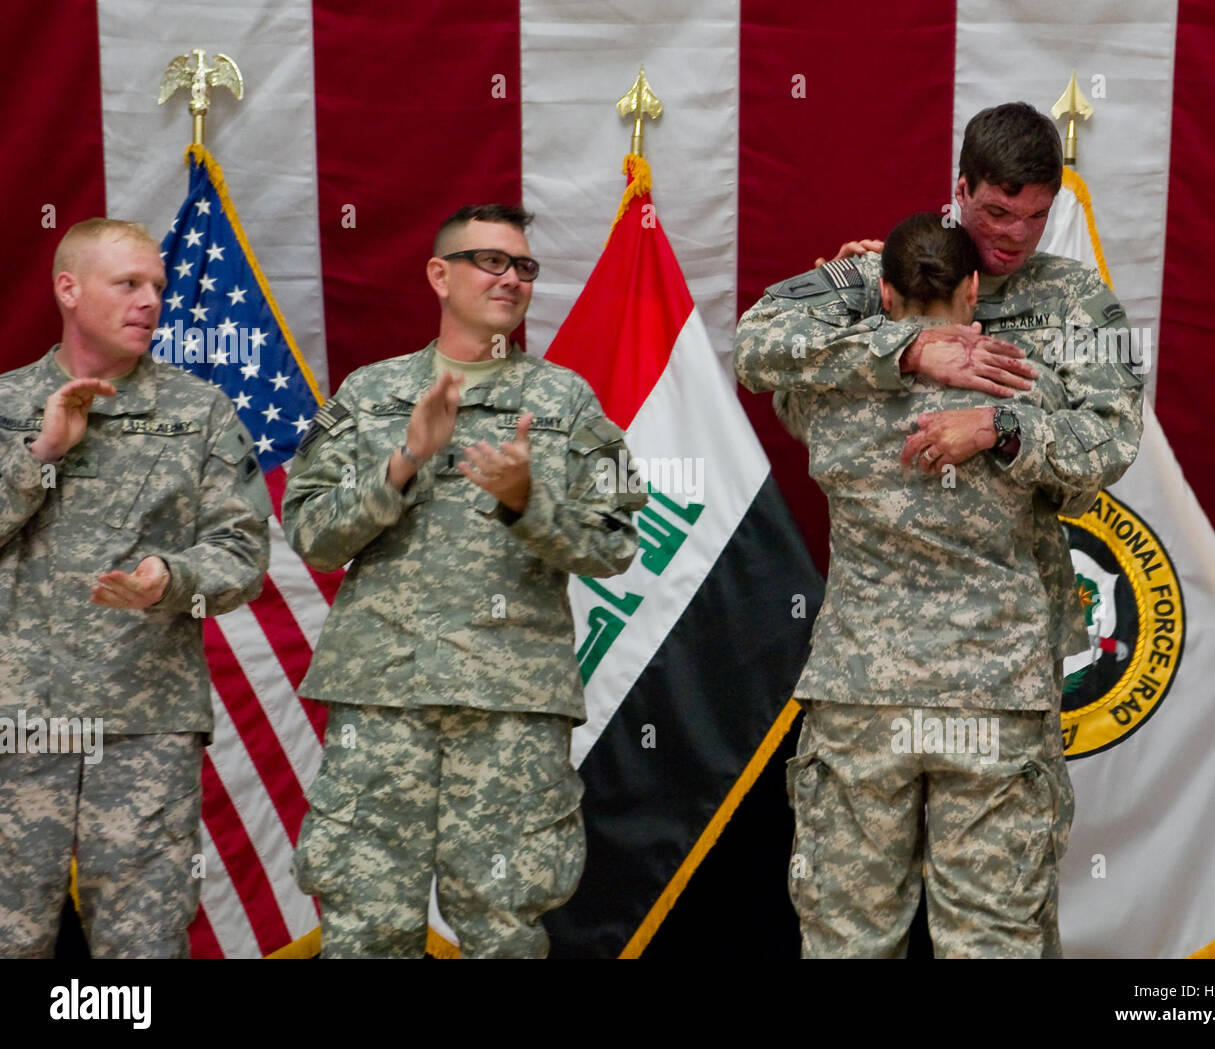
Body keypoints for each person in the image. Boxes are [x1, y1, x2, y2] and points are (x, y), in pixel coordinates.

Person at [735, 102, 1145, 956]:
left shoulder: (1073, 300)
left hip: (999, 670)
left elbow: (1110, 442)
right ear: (959, 189)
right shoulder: (871, 274)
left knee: (985, 932)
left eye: (1035, 217)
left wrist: (1002, 430)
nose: (1014, 237)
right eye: (996, 213)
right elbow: (757, 346)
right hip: (876, 673)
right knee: (862, 931)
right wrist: (904, 351)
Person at [282, 203, 646, 959]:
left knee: (504, 929)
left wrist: (528, 502)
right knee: (364, 929)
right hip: (382, 696)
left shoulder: (567, 403)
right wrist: (404, 461)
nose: (510, 278)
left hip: (509, 702)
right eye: (490, 261)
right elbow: (312, 536)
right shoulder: (369, 394)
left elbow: (616, 543)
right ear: (440, 275)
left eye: (523, 266)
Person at [0, 218, 271, 958]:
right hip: (18, 721)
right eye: (129, 284)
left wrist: (171, 578)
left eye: (157, 285)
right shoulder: (7, 405)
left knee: (142, 945)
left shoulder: (200, 411)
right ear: (68, 288)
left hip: (145, 720)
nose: (151, 300)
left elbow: (244, 548)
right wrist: (41, 453)